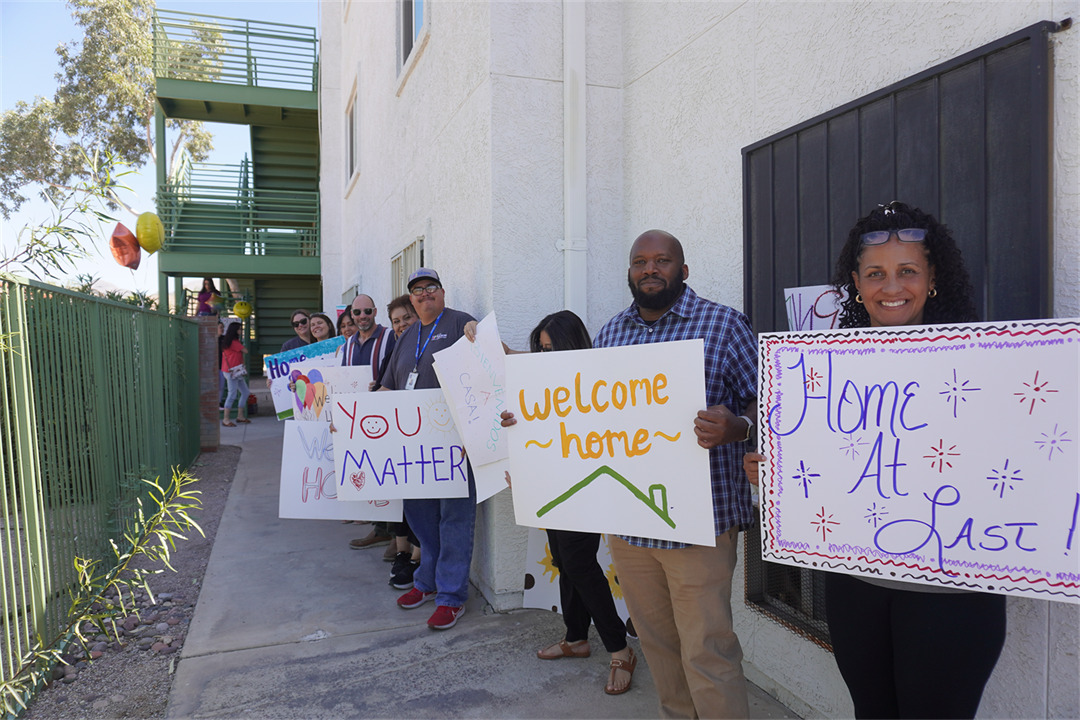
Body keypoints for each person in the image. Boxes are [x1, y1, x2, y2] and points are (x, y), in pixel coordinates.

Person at [745, 201, 1001, 720]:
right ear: (857, 286)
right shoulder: (829, 367)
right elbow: (825, 462)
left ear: (932, 280)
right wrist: (777, 469)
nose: (891, 286)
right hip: (855, 584)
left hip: (950, 592)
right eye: (876, 274)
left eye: (908, 271)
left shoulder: (987, 363)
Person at [503, 230, 758, 717]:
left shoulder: (724, 324)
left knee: (707, 649)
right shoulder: (612, 333)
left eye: (662, 260)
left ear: (683, 271)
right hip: (632, 526)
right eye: (640, 261)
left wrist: (739, 427)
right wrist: (530, 431)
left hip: (700, 525)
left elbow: (765, 399)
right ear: (629, 272)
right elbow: (586, 418)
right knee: (658, 645)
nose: (650, 269)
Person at [501, 311, 635, 695]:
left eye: (552, 347)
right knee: (563, 560)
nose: (545, 355)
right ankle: (576, 637)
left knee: (578, 562)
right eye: (540, 349)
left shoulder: (595, 381)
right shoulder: (539, 386)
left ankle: (619, 648)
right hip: (551, 486)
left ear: (572, 344)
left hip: (587, 486)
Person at [379, 268, 477, 631]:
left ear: (442, 292)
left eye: (430, 288)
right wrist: (353, 421)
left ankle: (451, 596)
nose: (424, 295)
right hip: (413, 448)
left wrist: (477, 337)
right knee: (421, 516)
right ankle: (427, 581)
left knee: (455, 518)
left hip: (454, 445)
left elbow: (484, 368)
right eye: (417, 290)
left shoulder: (461, 323)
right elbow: (388, 388)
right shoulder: (405, 337)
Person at [344, 294, 399, 553]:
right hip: (358, 418)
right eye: (357, 312)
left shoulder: (390, 336)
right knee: (369, 470)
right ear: (351, 315)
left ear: (375, 311)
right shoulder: (347, 345)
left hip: (387, 414)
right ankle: (380, 528)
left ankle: (396, 535)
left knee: (390, 471)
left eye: (367, 311)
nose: (362, 316)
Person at [220, 322, 250, 427]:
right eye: (240, 329)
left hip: (235, 371)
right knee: (232, 395)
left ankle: (240, 416)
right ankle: (226, 419)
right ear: (235, 331)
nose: (241, 331)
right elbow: (245, 351)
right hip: (232, 372)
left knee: (245, 392)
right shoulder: (234, 342)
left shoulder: (230, 341)